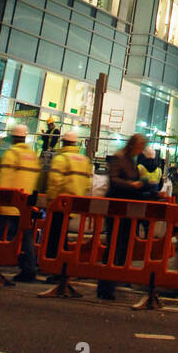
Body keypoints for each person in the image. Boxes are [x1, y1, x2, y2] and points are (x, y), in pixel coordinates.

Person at [97, 133, 146, 301]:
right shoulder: (119, 158)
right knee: (114, 245)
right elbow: (114, 180)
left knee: (123, 244)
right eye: (139, 147)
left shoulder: (131, 161)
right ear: (132, 145)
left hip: (127, 209)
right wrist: (131, 185)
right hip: (117, 207)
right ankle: (106, 284)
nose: (141, 150)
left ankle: (117, 278)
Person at [0, 123, 42, 282]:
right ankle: (29, 270)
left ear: (14, 138)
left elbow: (4, 178)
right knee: (27, 237)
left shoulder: (11, 154)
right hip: (26, 204)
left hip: (9, 203)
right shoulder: (33, 156)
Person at [43, 129, 93, 266]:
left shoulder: (61, 159)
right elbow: (88, 184)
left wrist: (51, 202)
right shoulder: (85, 160)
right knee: (61, 234)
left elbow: (54, 182)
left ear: (63, 142)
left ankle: (56, 264)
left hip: (60, 204)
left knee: (55, 236)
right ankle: (63, 264)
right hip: (76, 204)